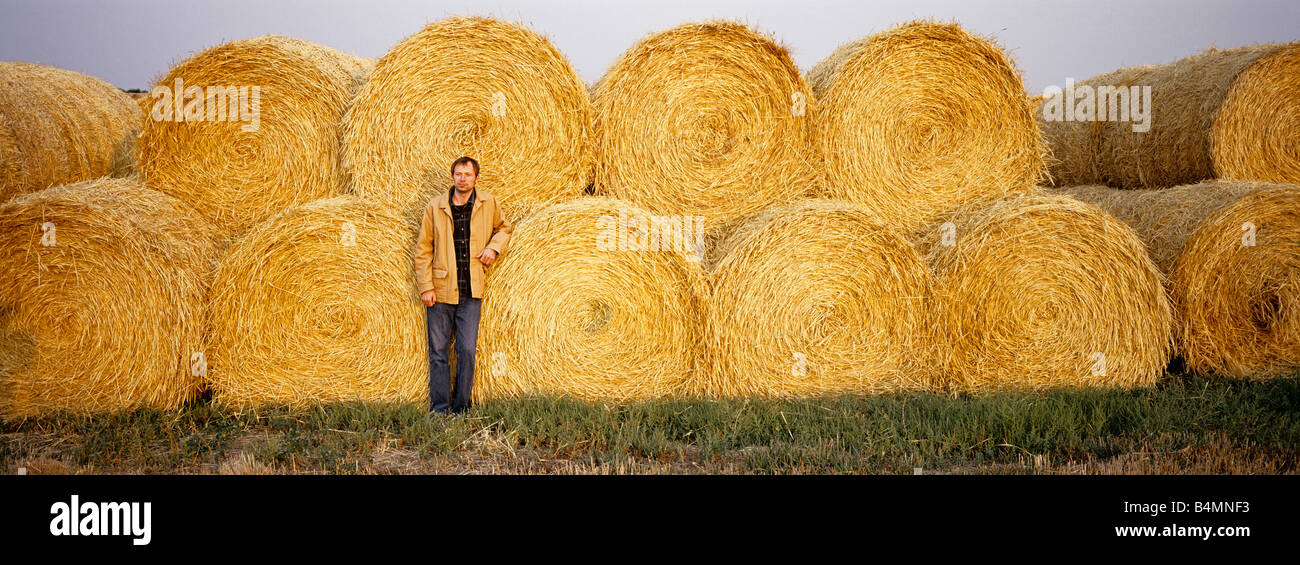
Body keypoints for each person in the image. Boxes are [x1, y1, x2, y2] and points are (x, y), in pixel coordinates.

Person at [414, 156, 512, 415]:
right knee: (438, 352)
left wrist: (493, 248)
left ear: (476, 178)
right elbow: (423, 249)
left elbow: (505, 229)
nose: (462, 178)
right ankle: (440, 408)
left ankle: (461, 409)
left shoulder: (487, 203)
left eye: (467, 174)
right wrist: (426, 286)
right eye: (458, 174)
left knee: (467, 350)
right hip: (441, 289)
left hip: (471, 290)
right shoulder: (435, 207)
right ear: (452, 176)